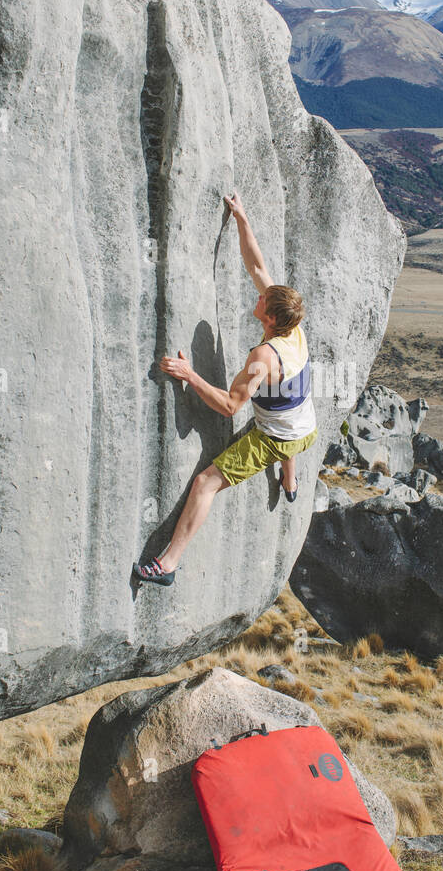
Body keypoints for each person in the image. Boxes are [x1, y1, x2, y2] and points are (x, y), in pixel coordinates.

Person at [133, 192, 317, 586]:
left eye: (262, 300)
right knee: (288, 422)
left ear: (269, 317)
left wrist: (189, 374)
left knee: (205, 483)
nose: (258, 293)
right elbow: (257, 265)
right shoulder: (293, 326)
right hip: (306, 426)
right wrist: (241, 218)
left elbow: (232, 406)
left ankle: (167, 565)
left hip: (278, 437)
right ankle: (290, 480)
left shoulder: (264, 357)